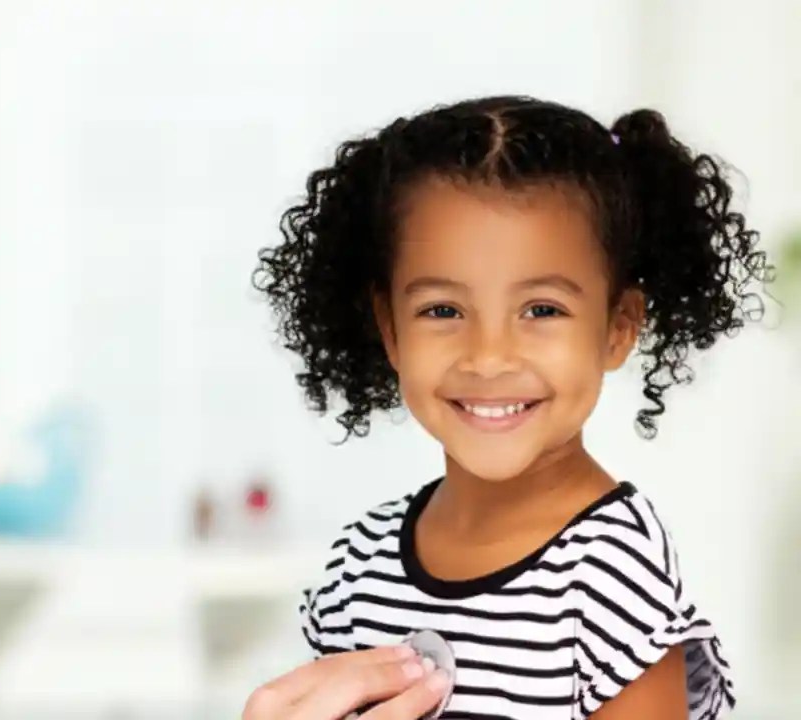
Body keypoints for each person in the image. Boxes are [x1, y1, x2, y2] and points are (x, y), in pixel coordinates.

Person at [248, 96, 771, 719]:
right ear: (390, 329)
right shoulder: (359, 564)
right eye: (442, 311)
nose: (489, 356)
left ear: (618, 327)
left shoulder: (609, 574)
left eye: (541, 310)